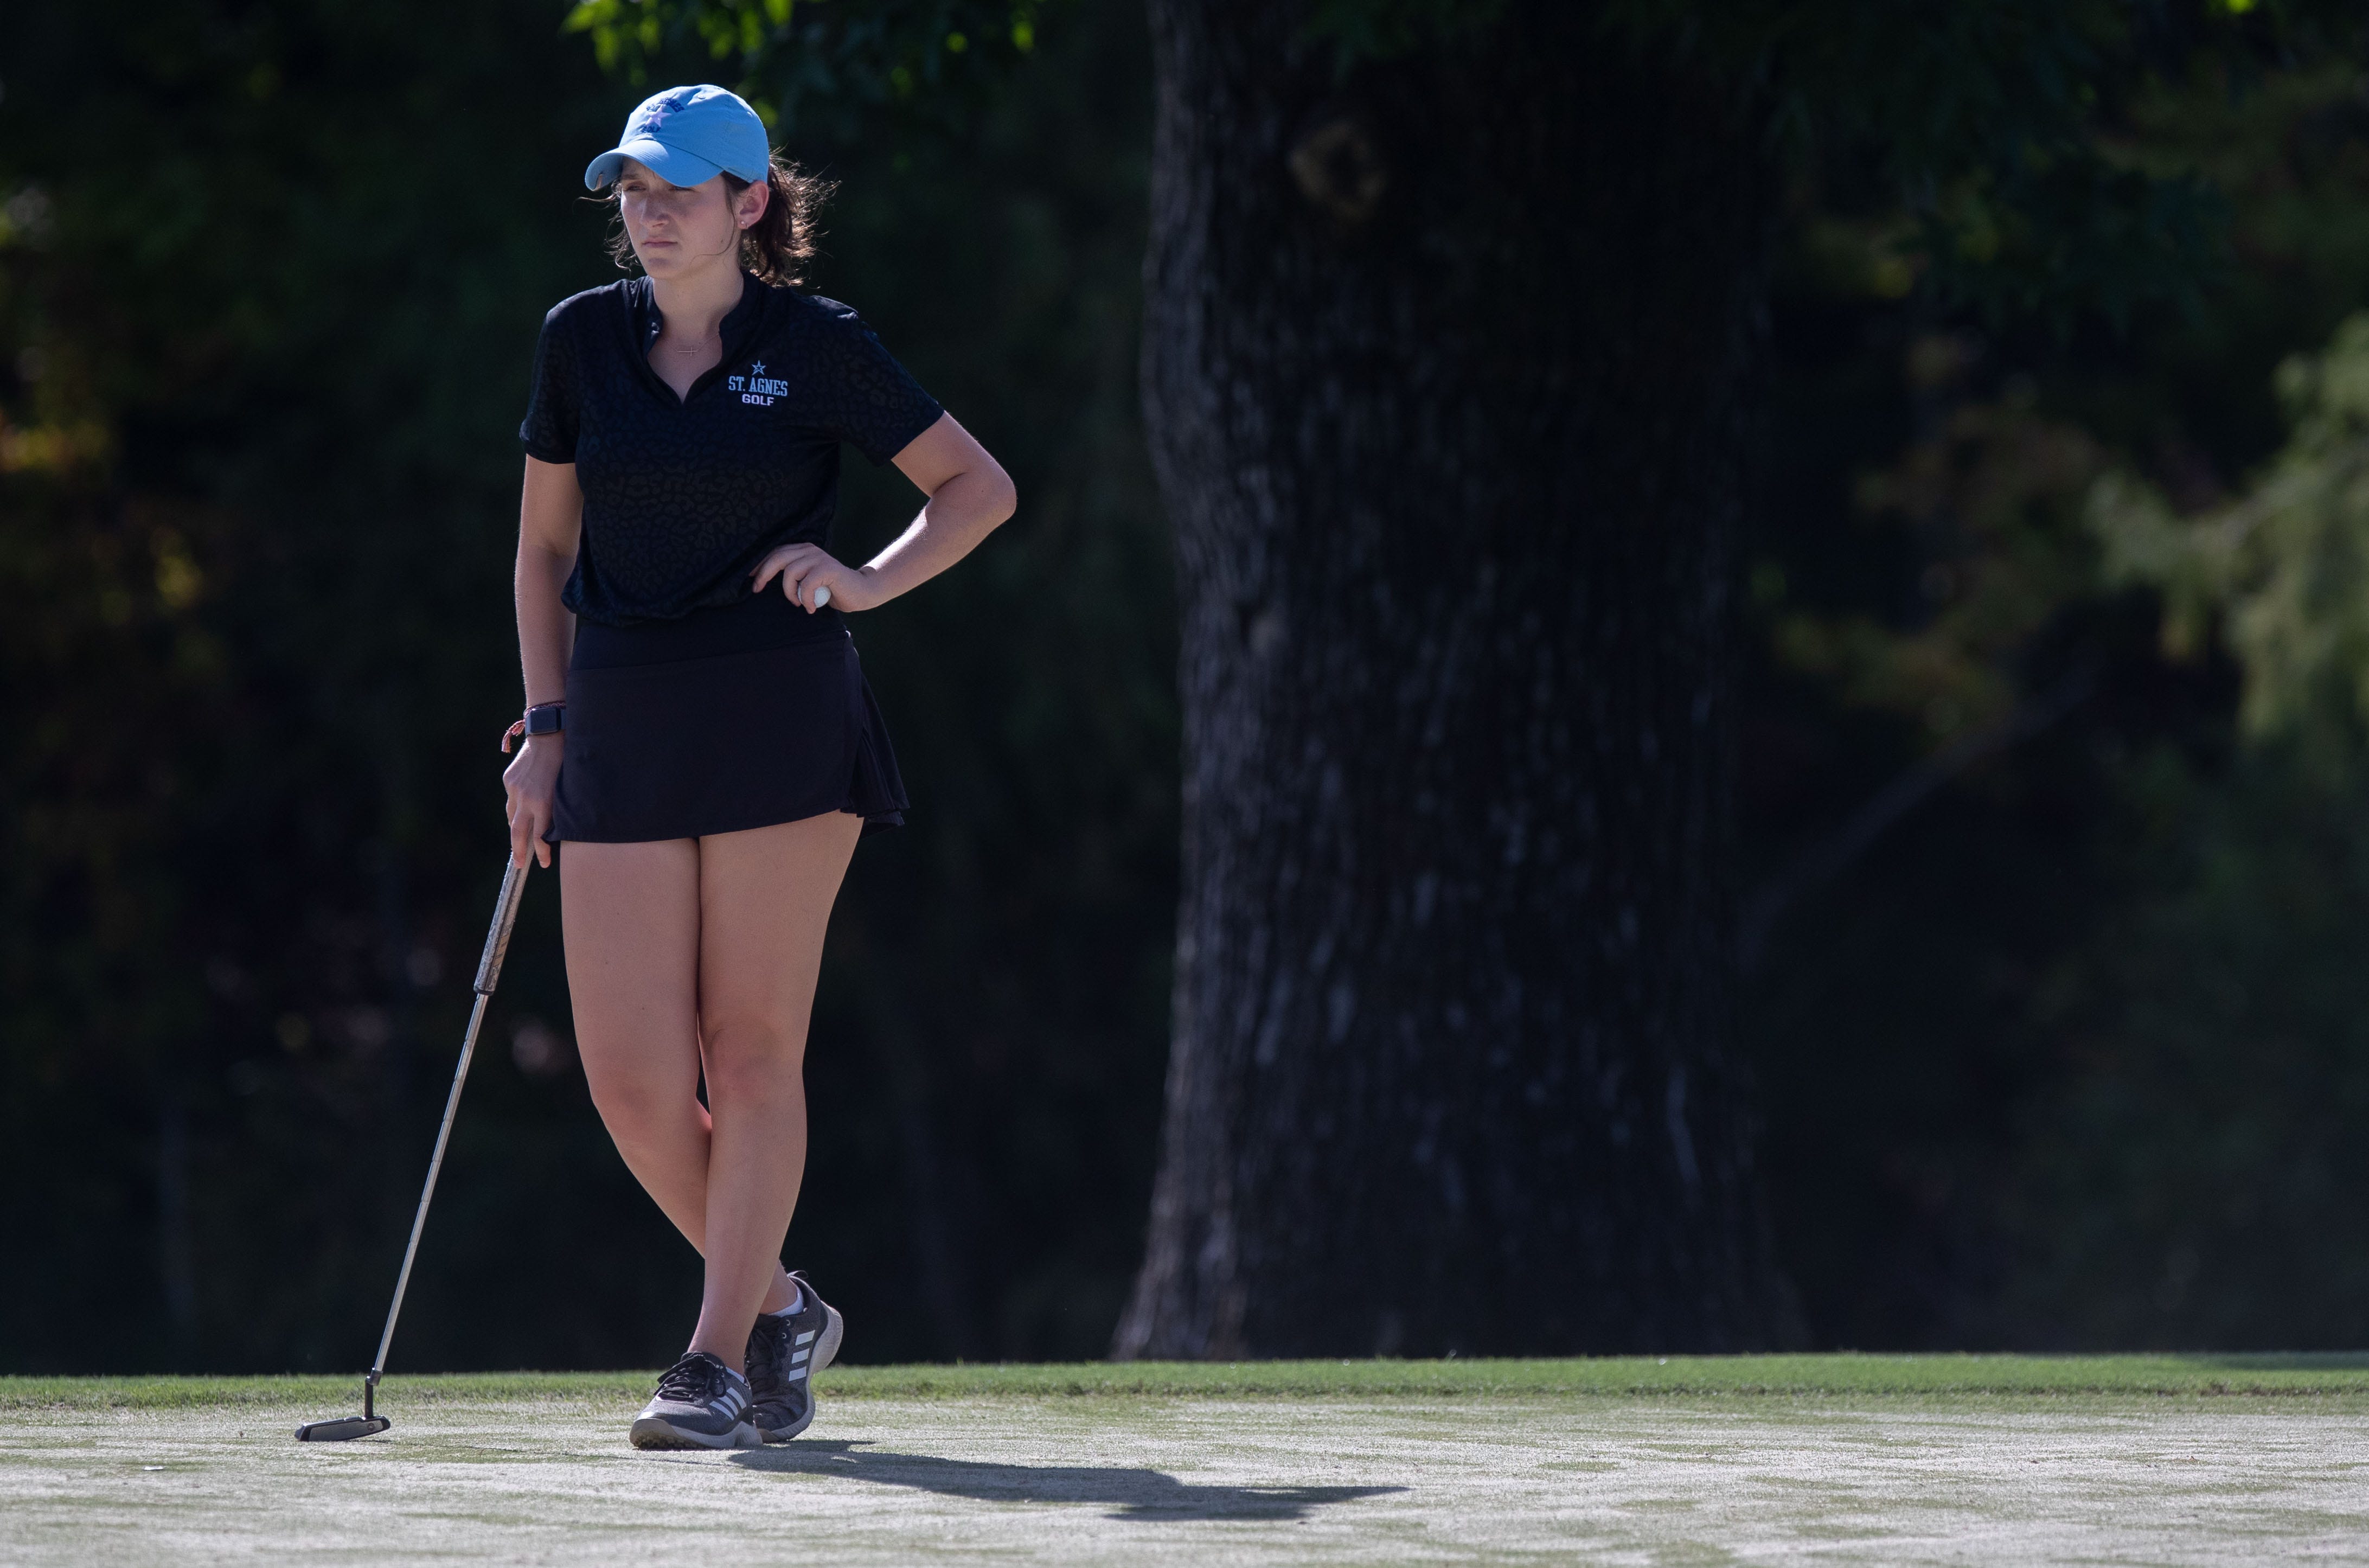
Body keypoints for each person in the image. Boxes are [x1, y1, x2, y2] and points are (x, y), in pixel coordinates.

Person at [500, 84, 1015, 1450]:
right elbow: (545, 552)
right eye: (632, 189)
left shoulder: (817, 344)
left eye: (677, 189)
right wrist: (544, 730)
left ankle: (714, 1361)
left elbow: (976, 487)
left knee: (751, 1044)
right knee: (630, 1078)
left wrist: (864, 580)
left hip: (779, 709)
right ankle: (782, 1306)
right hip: (614, 715)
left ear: (748, 205)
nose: (648, 211)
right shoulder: (580, 344)